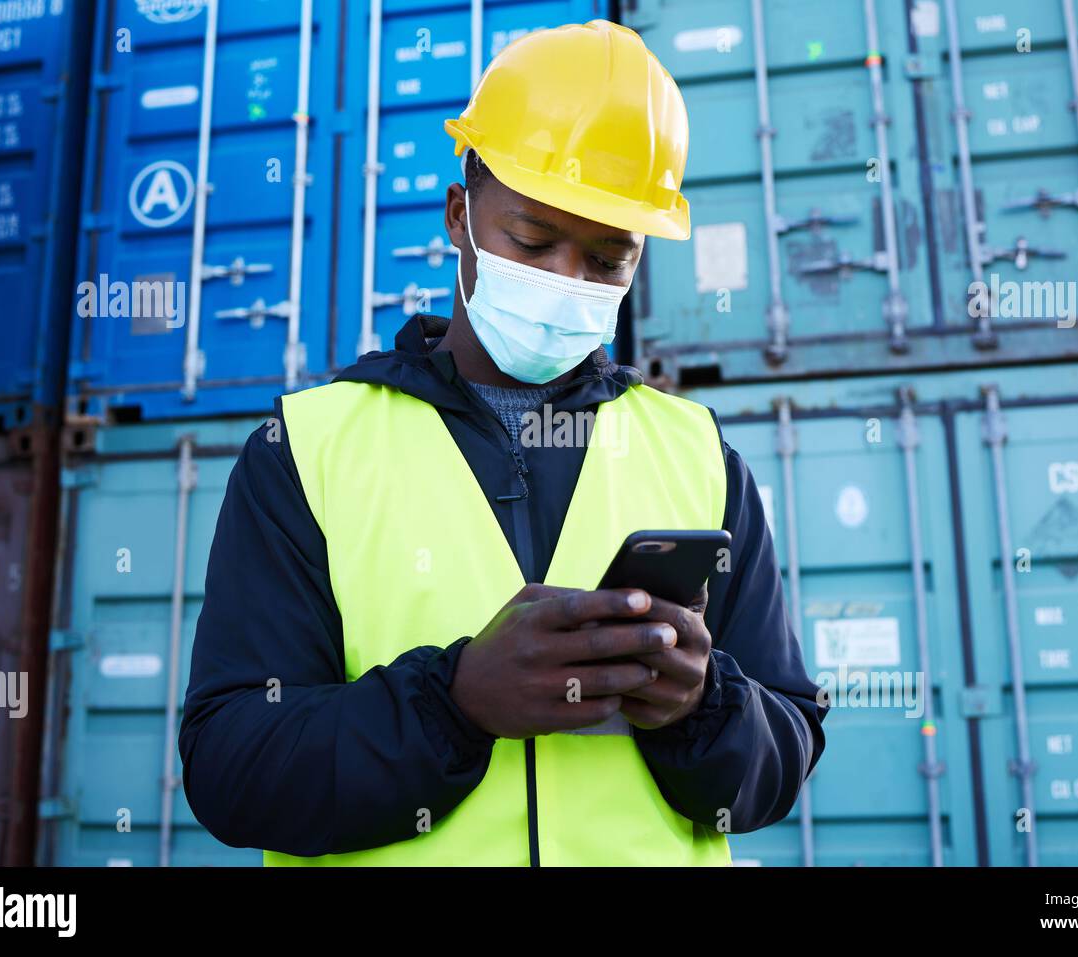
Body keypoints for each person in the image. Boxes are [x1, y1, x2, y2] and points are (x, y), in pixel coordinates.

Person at [180, 19, 827, 867]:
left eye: (607, 259)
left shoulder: (698, 453)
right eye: (531, 239)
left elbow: (785, 749)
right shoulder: (308, 449)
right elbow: (232, 763)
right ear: (460, 216)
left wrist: (704, 706)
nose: (566, 279)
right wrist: (454, 702)